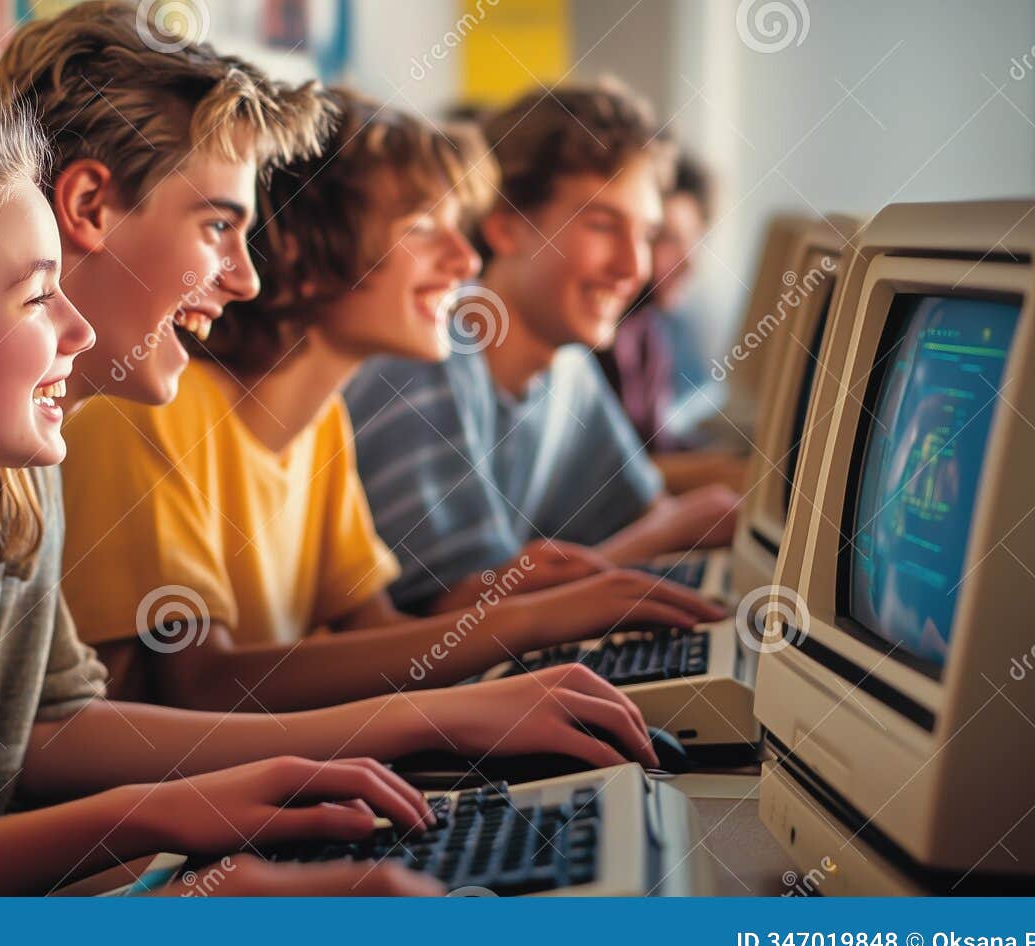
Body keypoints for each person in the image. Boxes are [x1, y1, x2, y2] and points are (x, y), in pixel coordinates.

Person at [0, 107, 672, 899]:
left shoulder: (9, 471)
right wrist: (187, 863)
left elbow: (44, 734)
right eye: (35, 295)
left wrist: (452, 707)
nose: (245, 270)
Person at [60, 88, 726, 714]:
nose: (465, 261)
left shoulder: (322, 424)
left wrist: (510, 615)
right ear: (305, 246)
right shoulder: (153, 415)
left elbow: (380, 633)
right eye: (421, 227)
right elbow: (206, 683)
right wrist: (524, 622)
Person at [343, 81, 741, 616]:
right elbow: (454, 618)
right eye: (602, 224)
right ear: (506, 229)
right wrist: (676, 531)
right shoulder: (427, 355)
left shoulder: (569, 368)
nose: (632, 267)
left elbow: (642, 512)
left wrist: (687, 522)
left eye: (645, 234)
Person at [602, 150, 745, 490]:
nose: (688, 263)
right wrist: (739, 475)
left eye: (693, 240)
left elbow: (657, 447)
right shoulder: (599, 337)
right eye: (668, 240)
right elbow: (618, 474)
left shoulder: (647, 330)